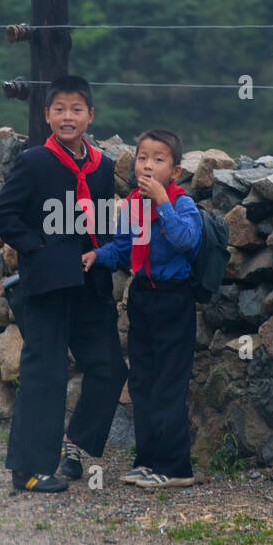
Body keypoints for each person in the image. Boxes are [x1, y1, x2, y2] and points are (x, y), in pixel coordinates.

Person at [0, 76, 130, 493]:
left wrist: (104, 252)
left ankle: (74, 443)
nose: (68, 117)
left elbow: (102, 219)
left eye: (77, 109)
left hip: (91, 285)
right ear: (46, 115)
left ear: (91, 115)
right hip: (48, 285)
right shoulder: (34, 162)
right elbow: (4, 215)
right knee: (45, 374)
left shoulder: (102, 167)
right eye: (59, 109)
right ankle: (29, 470)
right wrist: (37, 247)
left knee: (108, 367)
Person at [83, 128, 202, 489]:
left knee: (168, 383)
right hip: (143, 298)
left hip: (174, 299)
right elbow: (123, 248)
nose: (147, 166)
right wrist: (96, 256)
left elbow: (186, 240)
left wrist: (162, 203)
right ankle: (148, 461)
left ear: (175, 171)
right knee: (142, 382)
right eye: (142, 158)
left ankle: (176, 467)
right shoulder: (133, 205)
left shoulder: (182, 204)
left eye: (159, 159)